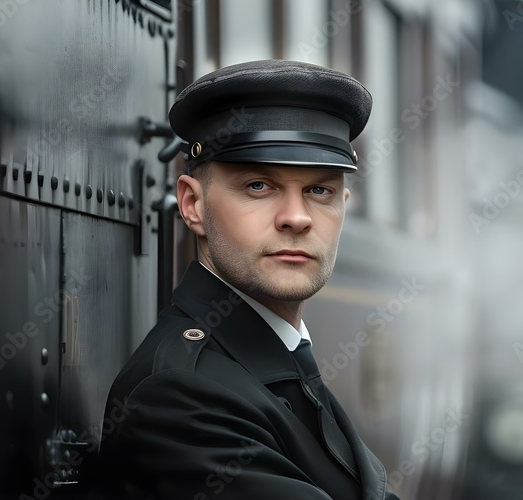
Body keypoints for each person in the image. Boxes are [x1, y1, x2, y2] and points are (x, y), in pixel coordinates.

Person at [97, 59, 399, 500]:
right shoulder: (180, 396)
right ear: (192, 204)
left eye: (320, 190)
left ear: (343, 205)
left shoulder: (274, 353)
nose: (296, 217)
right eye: (259, 185)